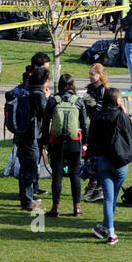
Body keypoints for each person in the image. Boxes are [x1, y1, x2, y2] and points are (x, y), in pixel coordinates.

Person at [86, 87, 132, 245]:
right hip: (120, 162)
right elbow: (131, 133)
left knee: (108, 197)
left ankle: (108, 229)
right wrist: (124, 112)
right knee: (112, 196)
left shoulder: (97, 116)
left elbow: (91, 138)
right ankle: (109, 230)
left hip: (103, 161)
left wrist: (88, 158)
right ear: (117, 100)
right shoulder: (121, 116)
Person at [41, 72, 89, 217]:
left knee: (57, 174)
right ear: (72, 85)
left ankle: (55, 207)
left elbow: (45, 123)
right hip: (74, 143)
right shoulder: (79, 101)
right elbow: (85, 125)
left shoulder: (53, 100)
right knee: (75, 174)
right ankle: (77, 207)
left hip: (56, 143)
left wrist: (44, 142)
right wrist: (85, 142)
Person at [13, 65, 50, 211]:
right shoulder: (38, 94)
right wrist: (47, 98)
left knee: (25, 167)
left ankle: (26, 198)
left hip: (21, 134)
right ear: (44, 81)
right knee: (30, 167)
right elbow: (46, 113)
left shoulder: (26, 89)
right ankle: (27, 201)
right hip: (30, 136)